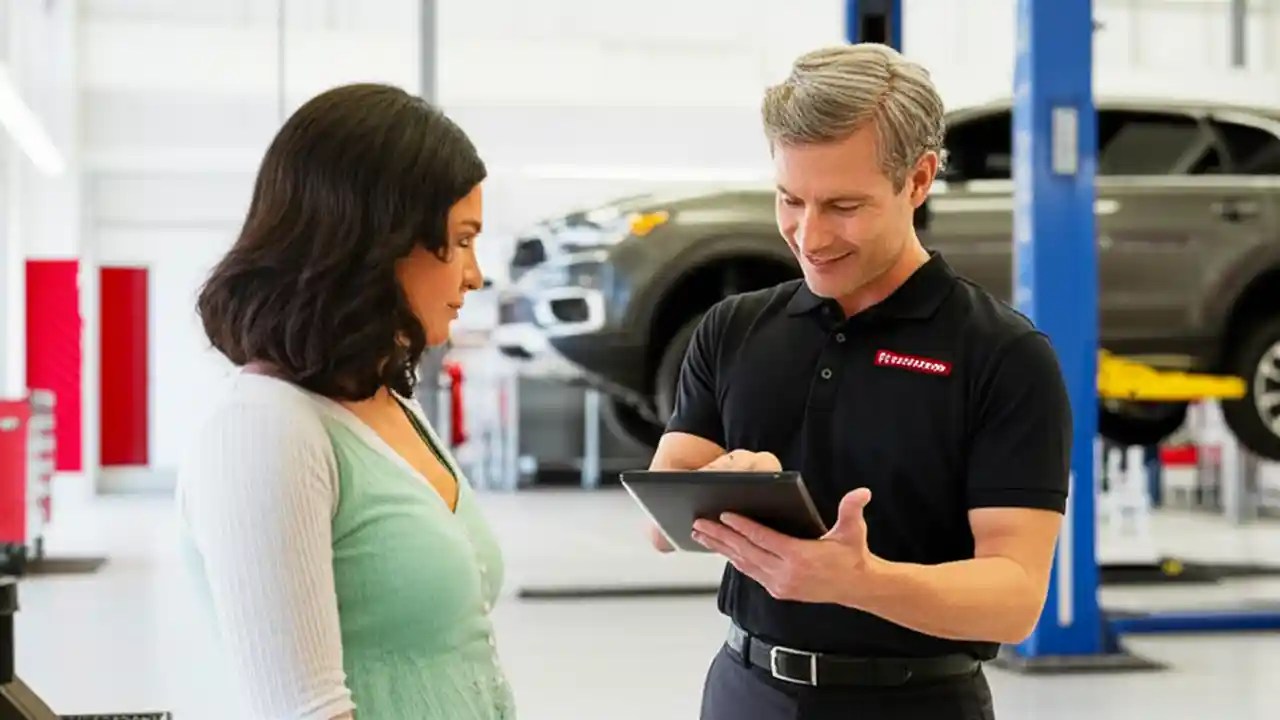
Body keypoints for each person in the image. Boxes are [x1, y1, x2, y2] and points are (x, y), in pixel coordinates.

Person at [646, 44, 1071, 720]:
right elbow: (664, 523)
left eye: (844, 206)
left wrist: (861, 583)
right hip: (744, 691)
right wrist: (731, 481)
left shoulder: (1004, 356)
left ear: (920, 179)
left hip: (917, 702)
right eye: (790, 200)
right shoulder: (733, 329)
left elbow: (1015, 595)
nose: (809, 236)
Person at [176, 83, 514, 720]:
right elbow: (305, 710)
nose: (474, 274)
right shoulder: (265, 428)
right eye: (463, 239)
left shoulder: (391, 406)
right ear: (380, 241)